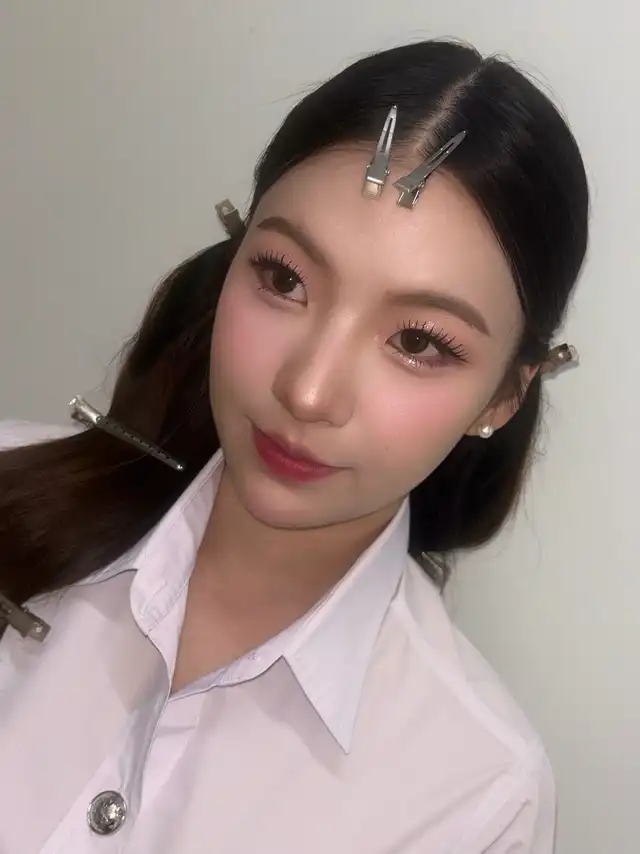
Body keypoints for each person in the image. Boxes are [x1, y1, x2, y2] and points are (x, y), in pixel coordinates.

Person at [0, 38, 588, 854]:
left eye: (419, 341)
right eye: (285, 279)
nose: (308, 391)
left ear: (502, 398)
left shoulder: (479, 797)